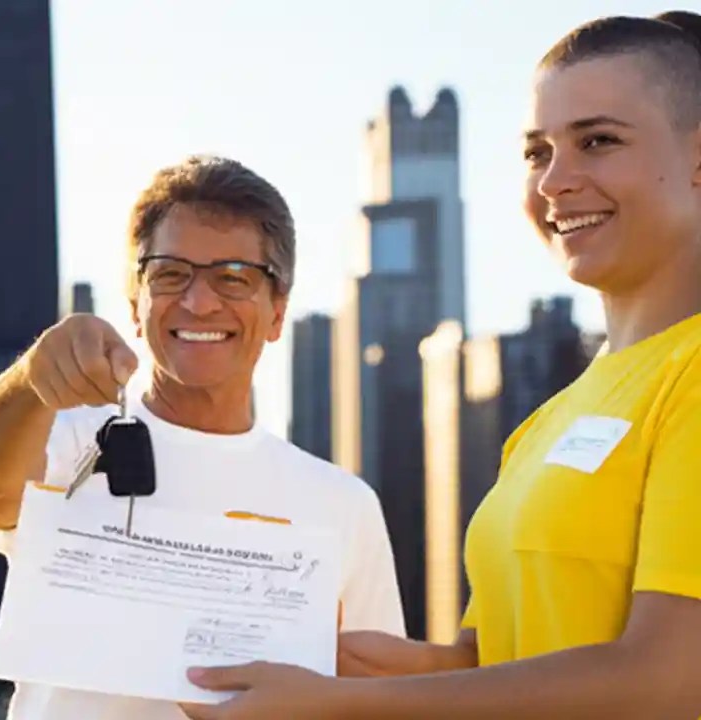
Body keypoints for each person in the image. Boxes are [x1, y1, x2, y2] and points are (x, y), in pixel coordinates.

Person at [179, 11, 701, 720]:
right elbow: (493, 664)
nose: (554, 181)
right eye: (536, 152)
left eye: (598, 141)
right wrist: (348, 663)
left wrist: (342, 707)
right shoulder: (550, 419)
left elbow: (670, 681)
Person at [0, 155, 406, 720]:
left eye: (233, 278)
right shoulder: (66, 441)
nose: (199, 302)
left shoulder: (345, 506)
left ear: (276, 311)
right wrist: (28, 380)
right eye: (171, 274)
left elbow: (376, 699)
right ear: (135, 303)